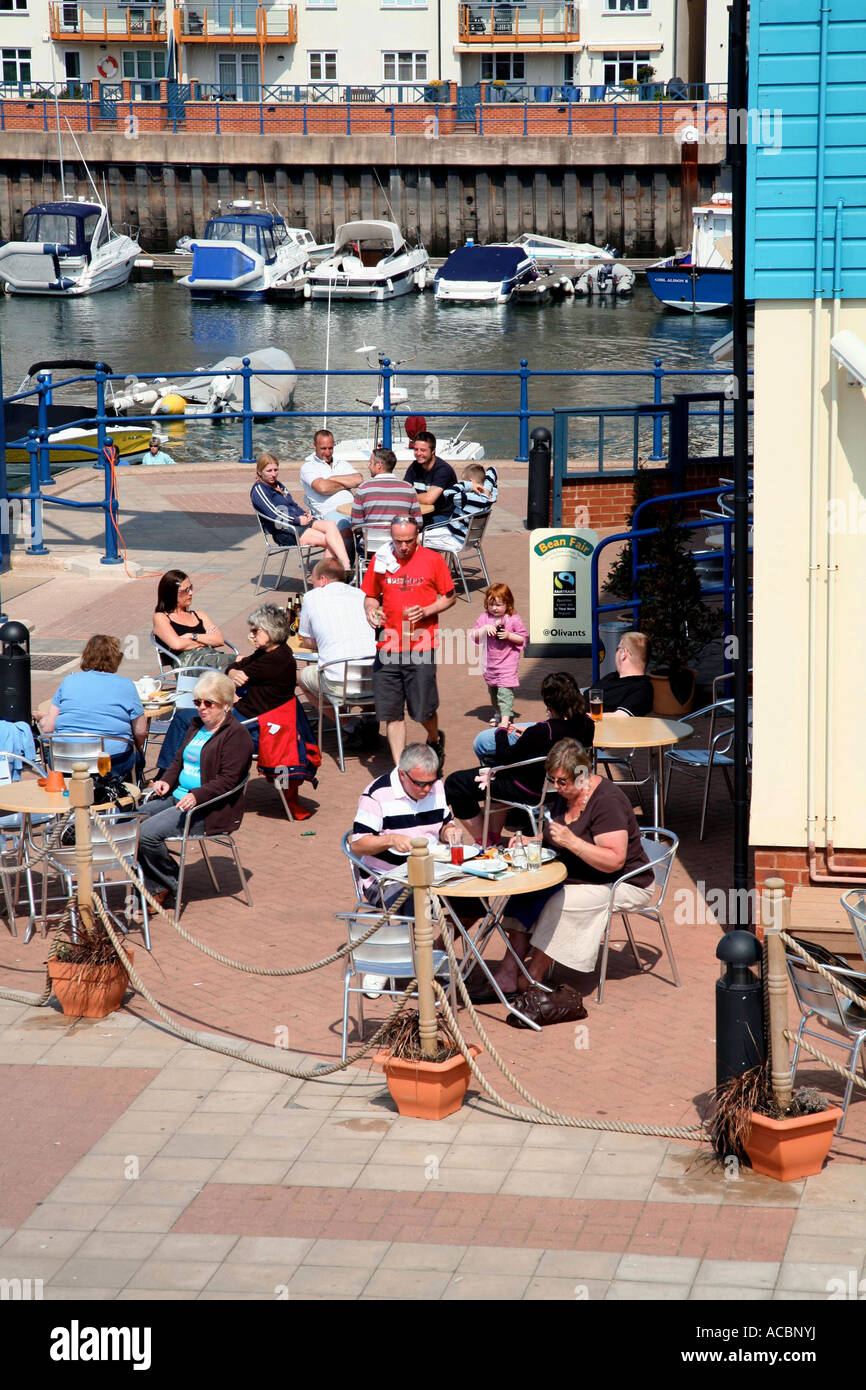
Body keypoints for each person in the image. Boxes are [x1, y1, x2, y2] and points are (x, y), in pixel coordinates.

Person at [487, 739, 654, 1009]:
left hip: (623, 882)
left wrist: (572, 843)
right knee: (526, 893)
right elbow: (557, 833)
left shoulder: (606, 801)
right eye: (552, 780)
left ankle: (533, 978)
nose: (557, 787)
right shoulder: (565, 797)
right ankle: (508, 971)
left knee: (559, 903)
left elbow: (614, 859)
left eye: (562, 781)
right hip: (581, 874)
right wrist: (532, 840)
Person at [138, 672, 253, 907]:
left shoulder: (236, 736)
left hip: (208, 808)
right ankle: (155, 882)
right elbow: (178, 760)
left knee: (147, 834)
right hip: (179, 797)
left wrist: (196, 795)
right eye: (198, 702)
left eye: (209, 703)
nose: (202, 708)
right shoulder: (197, 727)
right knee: (130, 824)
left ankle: (167, 883)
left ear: (226, 705)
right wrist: (167, 781)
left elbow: (228, 780)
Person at [444, 672, 595, 843]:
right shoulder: (587, 724)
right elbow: (558, 735)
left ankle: (485, 841)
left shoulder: (542, 731)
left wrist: (501, 731)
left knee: (455, 783)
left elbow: (504, 758)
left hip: (529, 789)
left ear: (548, 702)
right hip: (560, 787)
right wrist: (527, 735)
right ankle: (493, 836)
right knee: (492, 768)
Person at [361, 515, 456, 765]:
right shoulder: (381, 559)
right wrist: (371, 610)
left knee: (422, 710)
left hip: (420, 645)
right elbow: (370, 595)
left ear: (418, 537)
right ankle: (401, 769)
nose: (403, 546)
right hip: (387, 646)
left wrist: (426, 611)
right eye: (398, 541)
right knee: (392, 714)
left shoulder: (433, 560)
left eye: (409, 541)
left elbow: (449, 596)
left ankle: (434, 738)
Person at [350, 742, 454, 909]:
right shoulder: (377, 794)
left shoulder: (437, 787)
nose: (427, 789)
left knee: (476, 901)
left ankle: (441, 937)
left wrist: (449, 832)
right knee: (419, 905)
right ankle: (417, 935)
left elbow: (444, 824)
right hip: (385, 879)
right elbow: (357, 845)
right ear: (402, 774)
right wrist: (390, 840)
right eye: (420, 783)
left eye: (431, 782)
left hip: (432, 872)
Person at [36, 634, 146, 779]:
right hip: (109, 761)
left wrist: (42, 718)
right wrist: (137, 746)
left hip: (67, 760)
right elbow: (141, 731)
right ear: (116, 658)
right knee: (137, 757)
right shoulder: (126, 685)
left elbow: (48, 727)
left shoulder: (70, 681)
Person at [297, 558, 378, 748]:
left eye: (314, 581)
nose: (313, 585)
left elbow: (307, 640)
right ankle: (370, 721)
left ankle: (349, 726)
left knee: (301, 677)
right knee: (362, 669)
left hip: (339, 684)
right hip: (373, 681)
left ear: (323, 579)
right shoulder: (361, 594)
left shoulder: (312, 597)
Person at [250, 452, 351, 573]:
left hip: (297, 523)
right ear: (259, 472)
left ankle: (345, 566)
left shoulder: (278, 485)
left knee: (331, 525)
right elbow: (274, 513)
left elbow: (292, 505)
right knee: (331, 541)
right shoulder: (259, 489)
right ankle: (327, 578)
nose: (273, 474)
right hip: (284, 530)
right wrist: (297, 520)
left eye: (275, 470)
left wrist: (304, 514)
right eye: (269, 471)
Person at [226, 604, 297, 749]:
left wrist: (233, 674)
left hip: (258, 731)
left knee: (185, 720)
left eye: (255, 631)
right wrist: (232, 672)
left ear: (270, 630)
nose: (251, 635)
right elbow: (234, 667)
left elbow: (238, 669)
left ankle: (169, 769)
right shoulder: (272, 651)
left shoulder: (273, 660)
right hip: (254, 722)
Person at [469, 582, 528, 724]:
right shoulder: (484, 618)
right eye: (491, 604)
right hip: (490, 664)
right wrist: (483, 629)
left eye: (499, 605)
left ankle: (505, 719)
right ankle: (498, 712)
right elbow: (473, 635)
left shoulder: (513, 619)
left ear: (508, 604)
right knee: (494, 692)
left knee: (505, 693)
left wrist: (509, 635)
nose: (494, 608)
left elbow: (522, 638)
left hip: (507, 663)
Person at [299, 428, 360, 561]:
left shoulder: (341, 463)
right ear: (314, 446)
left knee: (376, 525)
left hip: (353, 509)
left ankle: (369, 568)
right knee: (345, 531)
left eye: (330, 448)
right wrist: (346, 483)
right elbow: (322, 488)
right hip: (328, 513)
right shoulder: (308, 467)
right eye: (323, 448)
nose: (327, 452)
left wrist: (332, 478)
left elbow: (359, 479)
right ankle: (347, 573)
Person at [153, 570, 228, 671]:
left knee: (243, 664)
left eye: (191, 588)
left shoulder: (200, 615)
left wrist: (192, 636)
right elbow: (177, 644)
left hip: (212, 659)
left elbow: (219, 640)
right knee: (238, 664)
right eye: (186, 590)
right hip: (188, 665)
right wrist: (206, 640)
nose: (191, 593)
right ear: (171, 593)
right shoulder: (161, 617)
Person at [349, 446, 421, 549]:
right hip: (401, 547)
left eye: (370, 463)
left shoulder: (363, 489)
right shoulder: (408, 488)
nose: (369, 467)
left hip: (371, 548)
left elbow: (356, 524)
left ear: (379, 465)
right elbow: (418, 522)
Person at [423, 463, 498, 555]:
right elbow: (493, 470)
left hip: (455, 538)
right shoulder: (490, 497)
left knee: (418, 538)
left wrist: (468, 485)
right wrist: (486, 490)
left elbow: (447, 493)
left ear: (471, 481)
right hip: (470, 540)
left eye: (464, 481)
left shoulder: (467, 498)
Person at [404, 430, 457, 524]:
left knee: (408, 530)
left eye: (423, 450)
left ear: (433, 451)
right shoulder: (414, 466)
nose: (418, 453)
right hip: (424, 514)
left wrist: (408, 497)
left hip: (445, 517)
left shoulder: (443, 470)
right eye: (416, 449)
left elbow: (429, 499)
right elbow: (403, 490)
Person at [596, 630, 654, 715]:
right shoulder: (612, 676)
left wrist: (577, 717)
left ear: (624, 654)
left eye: (618, 649)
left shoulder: (642, 689)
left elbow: (620, 717)